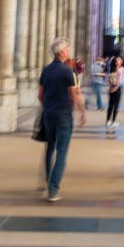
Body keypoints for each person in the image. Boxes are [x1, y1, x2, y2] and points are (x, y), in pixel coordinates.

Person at [38, 37, 86, 201]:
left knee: (50, 148)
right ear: (61, 52)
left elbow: (40, 94)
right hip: (63, 115)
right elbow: (73, 94)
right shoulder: (67, 71)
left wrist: (48, 106)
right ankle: (53, 189)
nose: (68, 50)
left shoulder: (46, 70)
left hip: (48, 115)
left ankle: (48, 180)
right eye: (67, 48)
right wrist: (81, 112)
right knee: (62, 152)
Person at [106, 56, 124, 129]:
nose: (117, 62)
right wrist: (111, 87)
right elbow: (108, 79)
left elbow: (121, 80)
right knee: (111, 105)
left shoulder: (122, 69)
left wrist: (115, 88)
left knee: (115, 106)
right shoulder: (112, 69)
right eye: (116, 61)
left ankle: (113, 121)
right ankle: (108, 121)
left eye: (119, 61)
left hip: (117, 88)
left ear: (121, 62)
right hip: (112, 88)